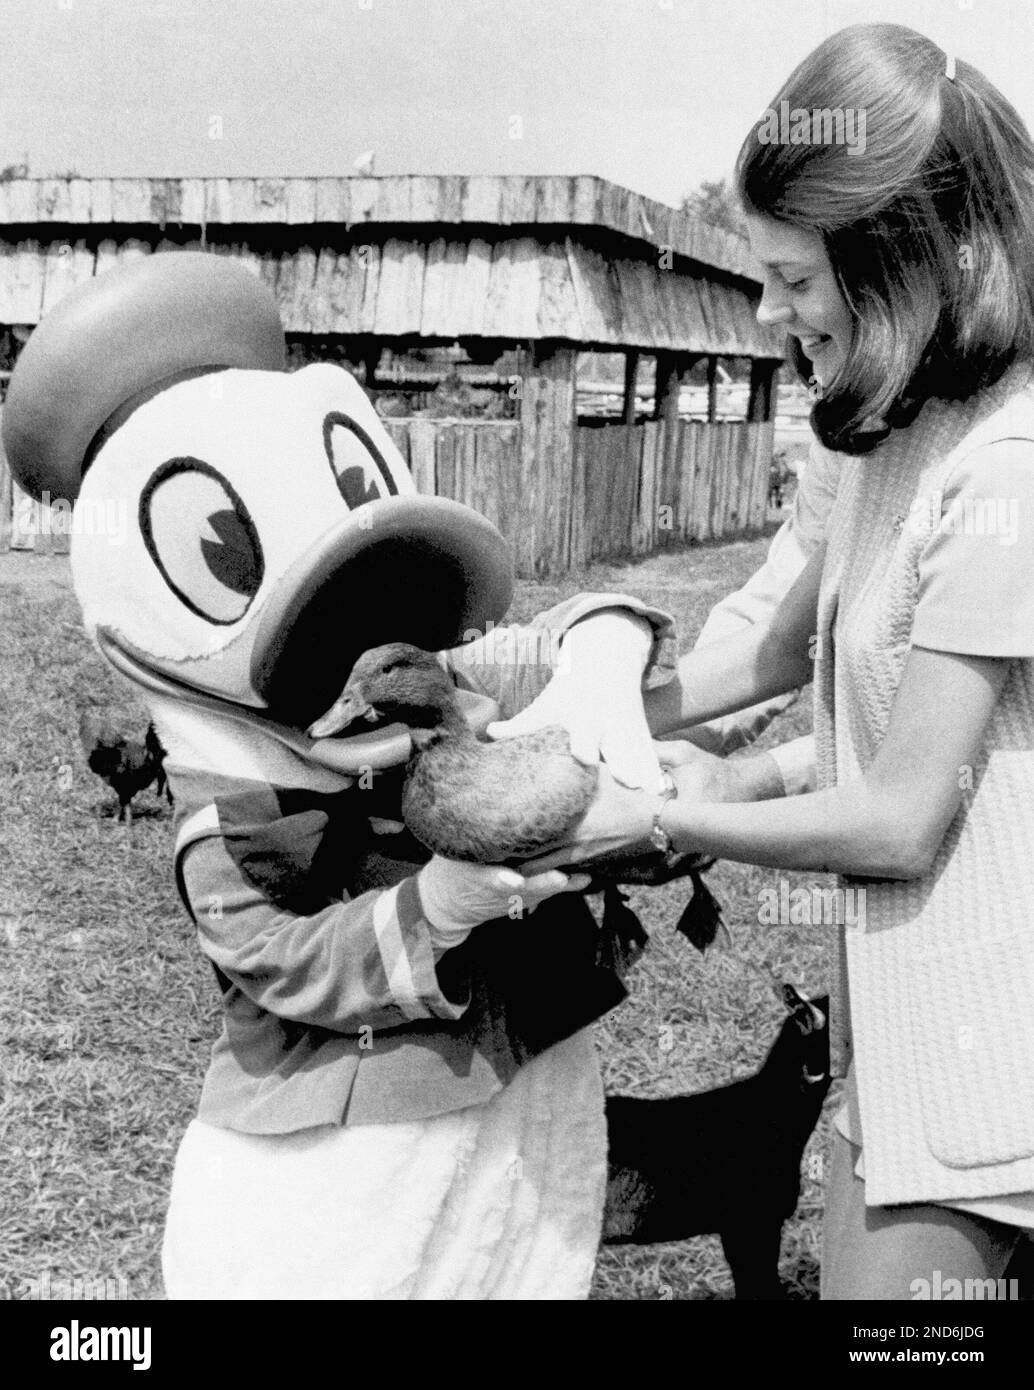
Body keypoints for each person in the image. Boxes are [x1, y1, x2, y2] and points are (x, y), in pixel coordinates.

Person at [520, 23, 1034, 1299]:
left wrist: (655, 813)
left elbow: (902, 817)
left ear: (902, 261)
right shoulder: (887, 434)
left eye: (794, 280)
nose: (765, 311)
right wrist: (568, 716)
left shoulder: (1004, 470)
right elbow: (762, 650)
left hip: (988, 1051)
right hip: (911, 1013)